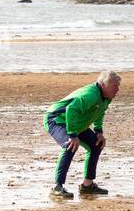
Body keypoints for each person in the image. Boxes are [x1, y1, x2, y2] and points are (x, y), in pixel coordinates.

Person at [44, 71, 121, 200]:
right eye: (114, 86)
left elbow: (100, 112)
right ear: (103, 85)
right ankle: (57, 187)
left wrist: (99, 132)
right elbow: (71, 110)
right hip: (57, 119)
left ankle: (87, 186)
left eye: (118, 86)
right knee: (70, 145)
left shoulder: (107, 96)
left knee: (96, 145)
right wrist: (73, 135)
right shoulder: (90, 95)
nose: (117, 90)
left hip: (76, 122)